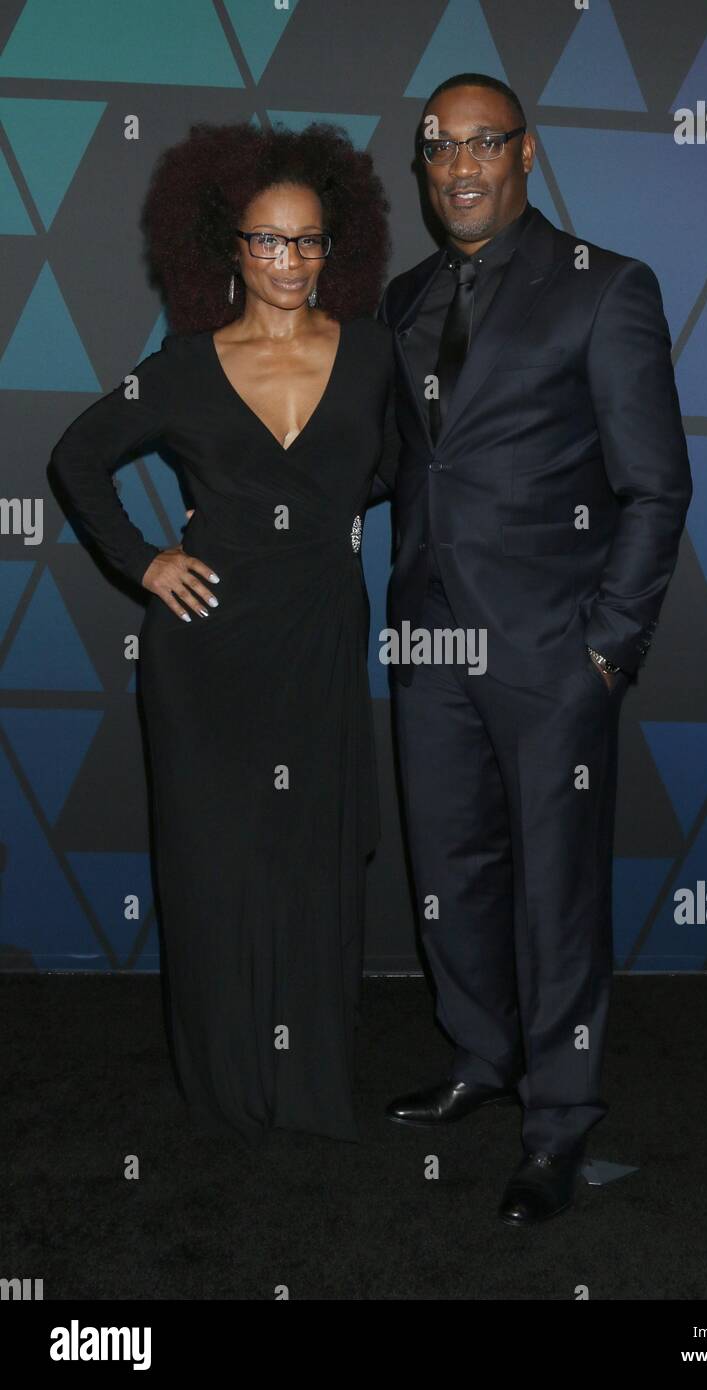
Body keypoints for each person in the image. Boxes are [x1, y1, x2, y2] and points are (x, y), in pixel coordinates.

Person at [377, 74, 693, 1224]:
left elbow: (655, 487)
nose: (457, 167)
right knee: (446, 874)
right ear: (420, 165)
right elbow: (396, 463)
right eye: (437, 148)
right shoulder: (403, 296)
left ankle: (556, 1124)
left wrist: (605, 649)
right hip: (427, 639)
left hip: (551, 655)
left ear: (523, 153)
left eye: (481, 145)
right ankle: (479, 1055)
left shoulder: (601, 288)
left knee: (556, 897)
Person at [49, 121, 397, 1147]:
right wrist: (144, 558)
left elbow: (400, 470)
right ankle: (226, 1090)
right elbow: (77, 456)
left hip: (319, 638)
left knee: (315, 863)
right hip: (208, 652)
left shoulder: (374, 357)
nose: (288, 263)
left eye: (307, 242)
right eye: (266, 241)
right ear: (230, 248)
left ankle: (310, 1089)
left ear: (336, 247)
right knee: (213, 866)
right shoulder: (187, 367)